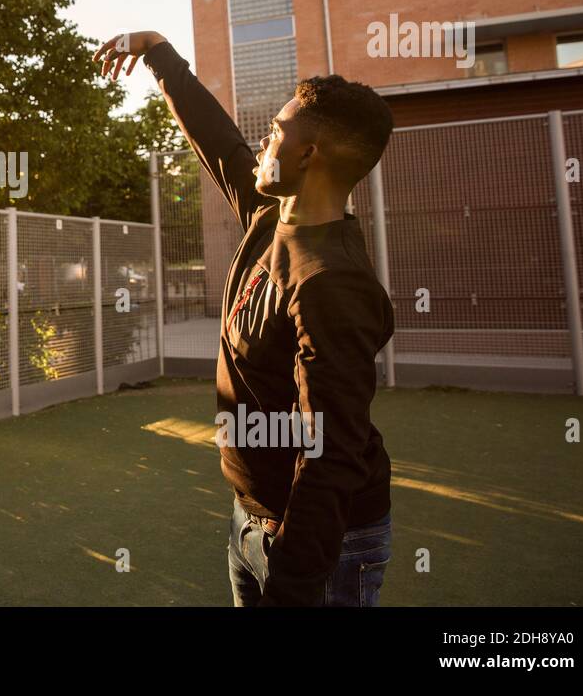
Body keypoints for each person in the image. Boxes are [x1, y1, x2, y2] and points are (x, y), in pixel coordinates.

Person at [94, 31, 395, 607]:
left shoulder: (331, 282)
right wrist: (158, 52)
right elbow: (219, 141)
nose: (263, 139)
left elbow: (329, 448)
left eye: (277, 130)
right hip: (251, 519)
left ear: (308, 155)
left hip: (320, 543)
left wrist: (294, 578)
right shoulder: (269, 216)